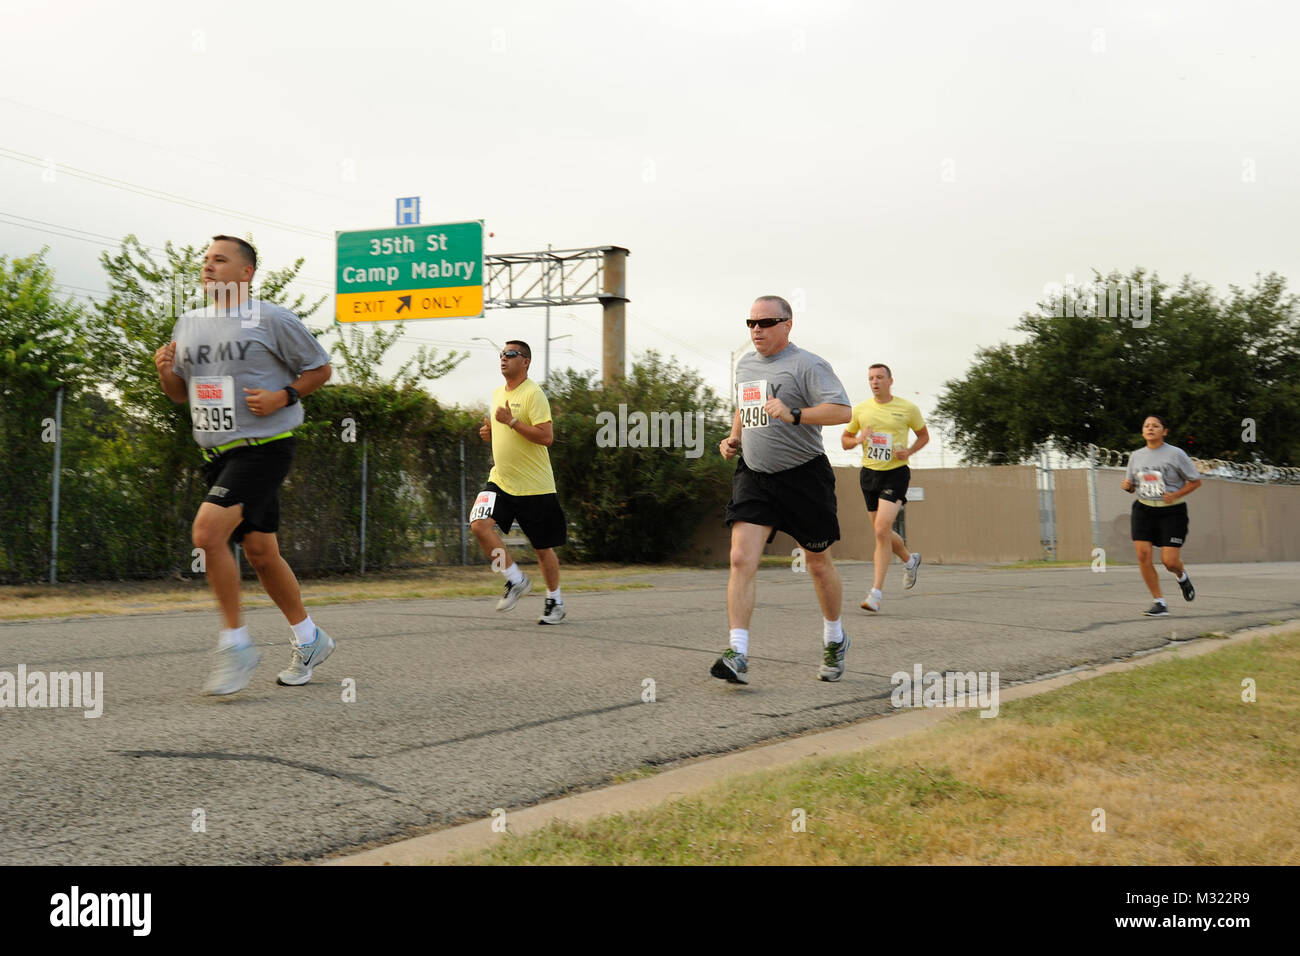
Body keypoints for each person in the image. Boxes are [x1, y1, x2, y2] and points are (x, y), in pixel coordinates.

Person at [153, 235, 335, 695]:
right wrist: (164, 372)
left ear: (246, 273)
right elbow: (180, 394)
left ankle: (236, 645)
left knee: (206, 533)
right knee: (260, 552)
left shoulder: (271, 318)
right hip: (217, 453)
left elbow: (319, 368)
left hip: (265, 445)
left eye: (220, 260)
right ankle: (310, 638)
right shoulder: (189, 322)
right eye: (205, 260)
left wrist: (283, 395)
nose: (208, 267)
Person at [714, 295, 853, 685]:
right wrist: (734, 437)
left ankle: (834, 638)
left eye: (765, 323)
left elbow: (843, 411)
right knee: (741, 558)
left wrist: (795, 414)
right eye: (751, 323)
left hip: (804, 476)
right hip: (755, 476)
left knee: (818, 564)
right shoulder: (745, 366)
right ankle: (737, 652)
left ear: (787, 325)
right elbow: (746, 406)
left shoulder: (807, 365)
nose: (756, 330)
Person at [470, 340, 567, 624]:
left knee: (541, 548)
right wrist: (491, 431)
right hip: (501, 480)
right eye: (501, 354)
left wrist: (511, 422)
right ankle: (514, 578)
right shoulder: (497, 393)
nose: (503, 358)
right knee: (479, 525)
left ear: (525, 361)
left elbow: (546, 437)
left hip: (534, 486)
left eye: (510, 354)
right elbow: (502, 428)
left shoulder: (533, 394)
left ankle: (555, 601)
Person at [842, 364, 929, 612]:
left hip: (896, 473)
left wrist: (910, 451)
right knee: (882, 532)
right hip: (869, 474)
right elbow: (845, 440)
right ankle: (910, 560)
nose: (875, 381)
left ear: (891, 380)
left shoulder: (907, 408)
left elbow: (924, 435)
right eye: (871, 378)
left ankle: (875, 594)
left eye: (880, 377)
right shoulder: (861, 410)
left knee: (881, 530)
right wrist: (858, 439)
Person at [1120, 414, 1201, 616]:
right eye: (1146, 425)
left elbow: (1195, 481)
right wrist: (1127, 486)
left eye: (1155, 425)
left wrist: (1175, 494)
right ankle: (1159, 602)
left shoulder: (1176, 454)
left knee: (1170, 562)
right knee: (1143, 555)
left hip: (1172, 511)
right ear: (1142, 431)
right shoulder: (1136, 456)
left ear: (1164, 431)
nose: (1150, 428)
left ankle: (1181, 576)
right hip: (1144, 509)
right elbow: (1132, 485)